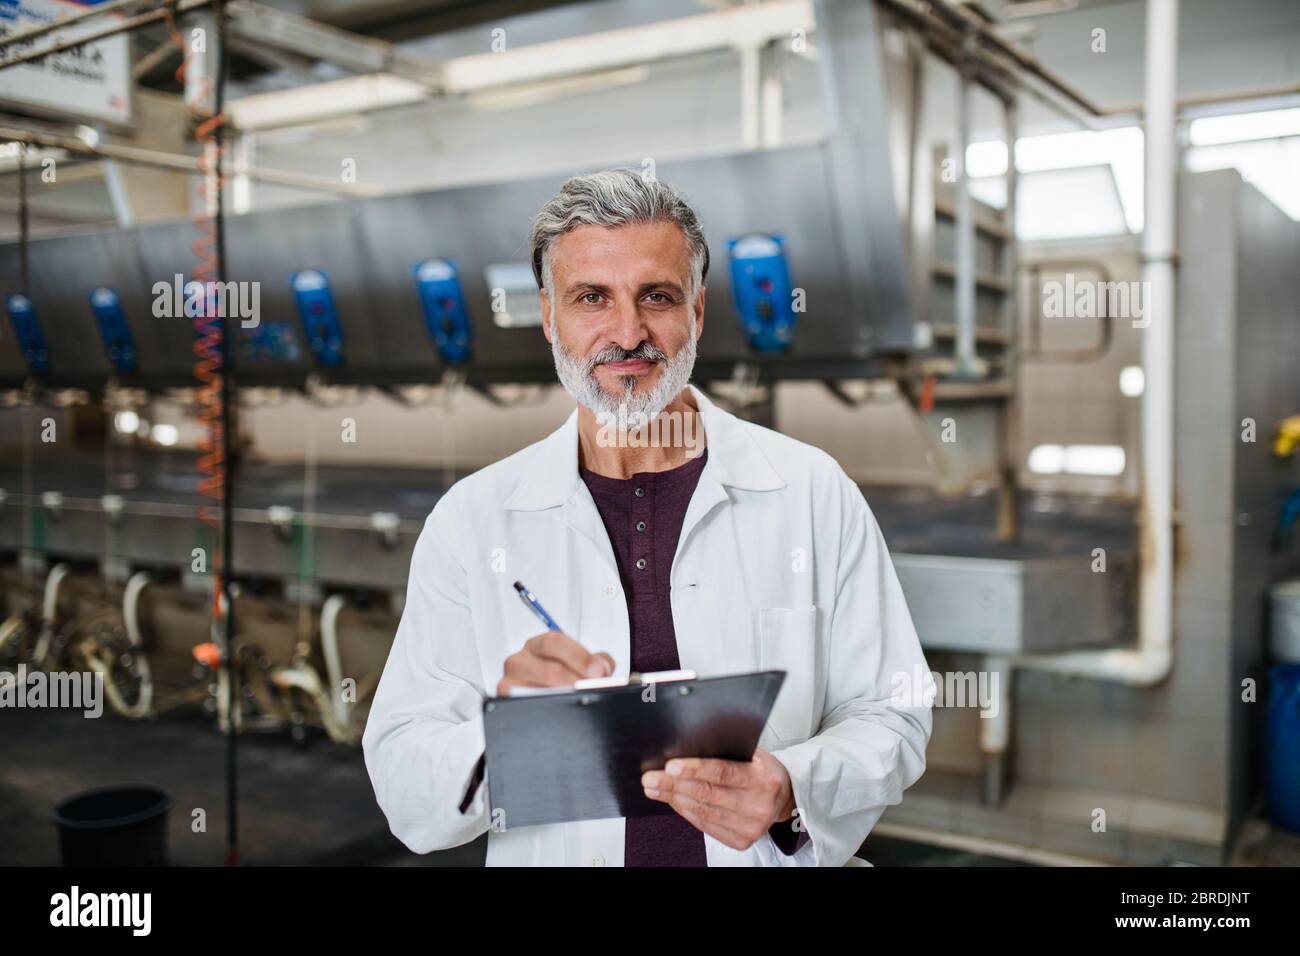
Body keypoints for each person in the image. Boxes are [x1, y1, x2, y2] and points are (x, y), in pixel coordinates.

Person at [362, 168, 932, 866]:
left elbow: (893, 715)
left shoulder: (812, 492)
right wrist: (506, 734)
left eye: (656, 296)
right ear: (549, 316)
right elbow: (402, 784)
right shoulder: (474, 522)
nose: (627, 333)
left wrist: (788, 787)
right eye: (591, 298)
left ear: (696, 312)